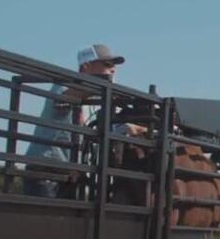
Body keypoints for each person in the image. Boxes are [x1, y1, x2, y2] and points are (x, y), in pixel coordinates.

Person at [23, 44, 145, 199]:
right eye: (107, 65)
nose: (113, 69)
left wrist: (132, 127)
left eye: (114, 65)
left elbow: (105, 128)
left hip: (70, 172)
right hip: (46, 169)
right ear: (86, 66)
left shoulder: (96, 99)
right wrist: (103, 87)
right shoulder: (64, 84)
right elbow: (64, 100)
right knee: (45, 219)